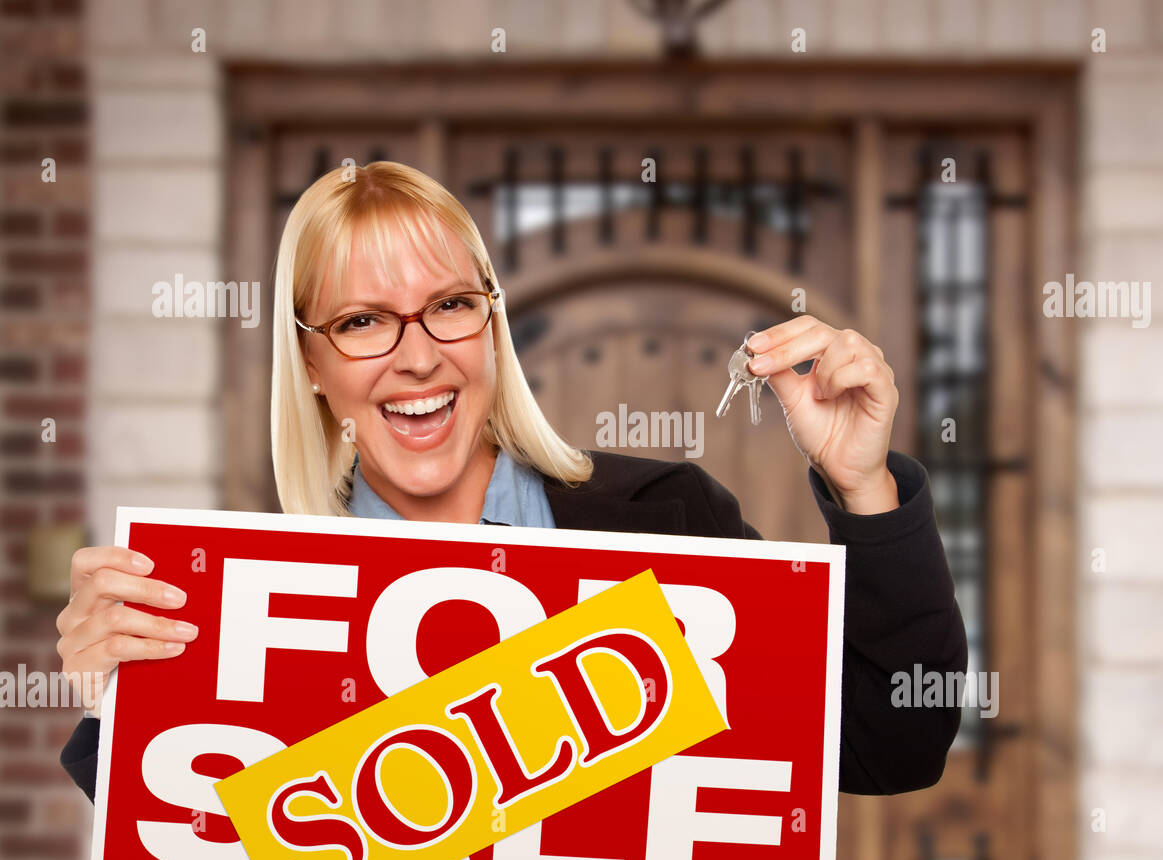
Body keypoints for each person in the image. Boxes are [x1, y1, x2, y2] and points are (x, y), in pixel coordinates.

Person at [57, 161, 968, 806]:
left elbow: (895, 743)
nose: (418, 358)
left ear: (491, 326)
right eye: (364, 320)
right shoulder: (238, 618)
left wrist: (864, 488)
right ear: (311, 367)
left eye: (451, 306)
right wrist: (119, 709)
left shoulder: (669, 523)